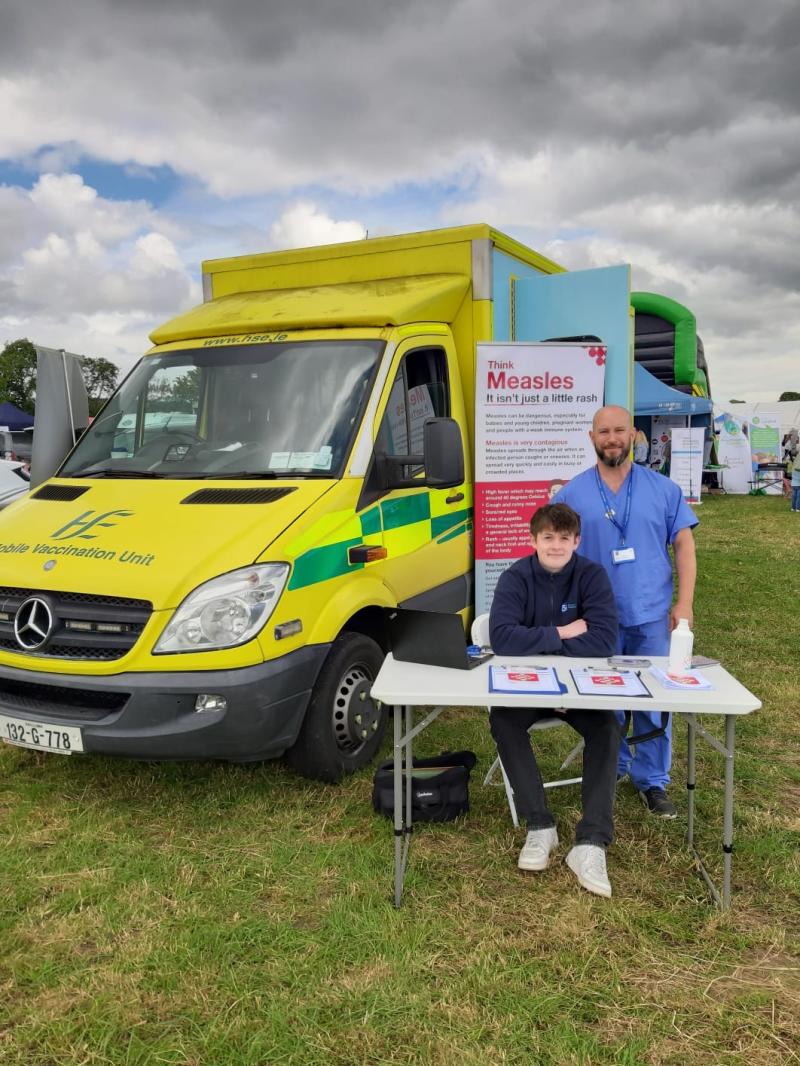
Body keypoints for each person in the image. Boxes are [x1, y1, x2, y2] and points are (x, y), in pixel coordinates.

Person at [555, 405, 699, 818]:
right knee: (605, 698)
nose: (612, 438)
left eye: (620, 430)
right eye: (604, 431)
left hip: (652, 612)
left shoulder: (663, 489)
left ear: (634, 435)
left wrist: (684, 603)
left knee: (655, 697)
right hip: (597, 619)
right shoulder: (572, 494)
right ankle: (611, 769)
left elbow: (684, 546)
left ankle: (652, 781)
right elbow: (558, 555)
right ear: (592, 437)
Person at [488, 502, 620, 897]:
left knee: (609, 727)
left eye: (564, 538)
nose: (556, 546)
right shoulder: (515, 577)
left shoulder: (592, 576)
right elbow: (502, 639)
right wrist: (562, 633)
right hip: (527, 686)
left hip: (578, 687)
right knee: (504, 721)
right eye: (548, 538)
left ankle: (591, 842)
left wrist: (553, 664)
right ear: (534, 540)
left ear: (577, 541)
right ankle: (540, 826)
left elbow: (603, 640)